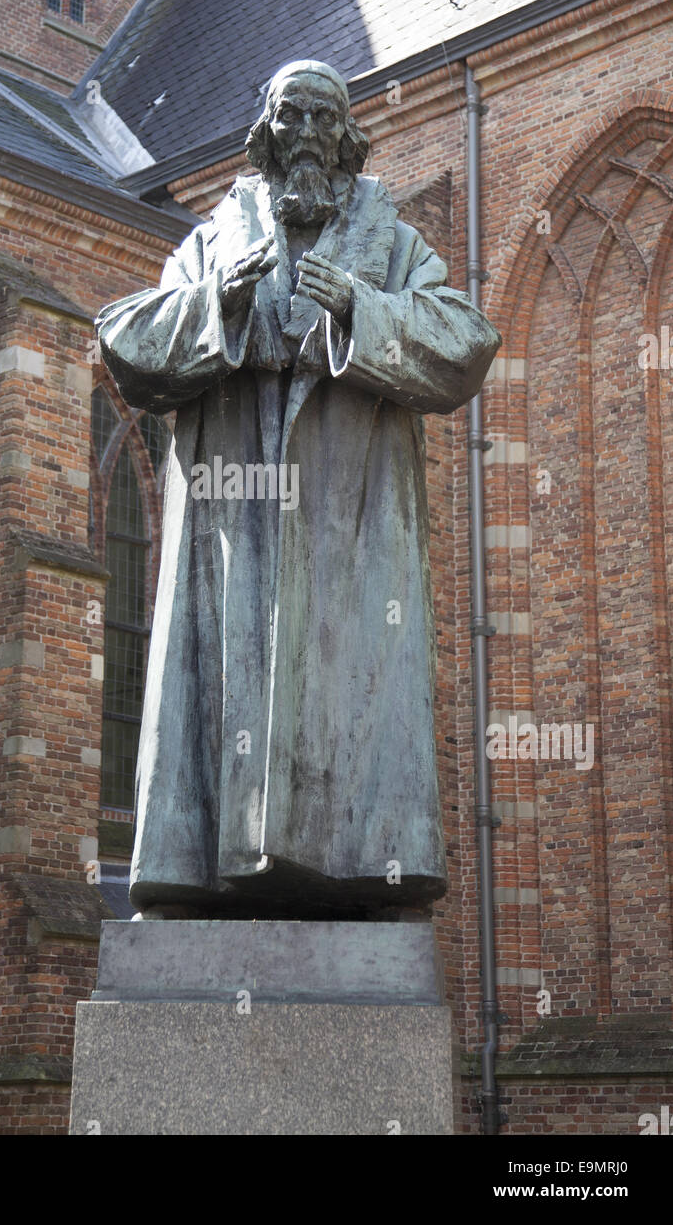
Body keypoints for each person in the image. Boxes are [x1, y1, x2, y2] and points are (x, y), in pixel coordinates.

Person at [96, 59, 501, 920]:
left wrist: (360, 306)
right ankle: (205, 865)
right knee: (224, 707)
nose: (309, 135)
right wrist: (219, 306)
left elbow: (467, 343)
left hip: (348, 540)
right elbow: (128, 346)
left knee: (346, 726)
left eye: (326, 118)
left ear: (349, 141)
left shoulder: (391, 246)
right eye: (292, 118)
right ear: (266, 136)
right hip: (234, 531)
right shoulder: (213, 241)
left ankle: (350, 866)